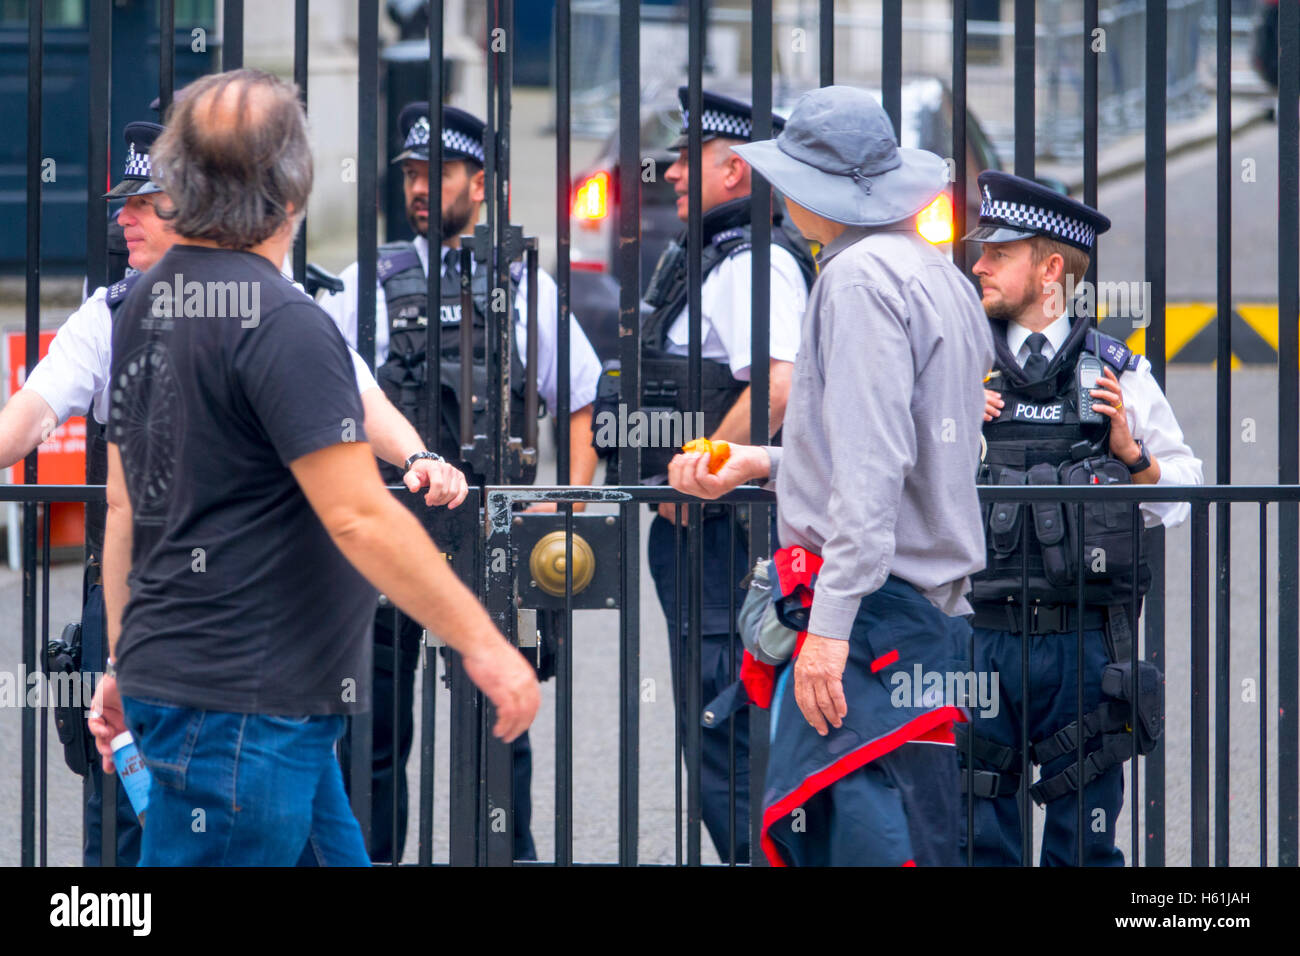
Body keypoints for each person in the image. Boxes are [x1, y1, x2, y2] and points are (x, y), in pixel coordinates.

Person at [85, 68, 539, 867]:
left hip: (222, 689)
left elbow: (127, 509)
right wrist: (487, 645)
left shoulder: (147, 303)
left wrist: (129, 657)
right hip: (248, 707)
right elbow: (359, 514)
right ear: (292, 186)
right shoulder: (286, 320)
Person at [0, 118, 462, 867]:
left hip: (254, 627)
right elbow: (26, 429)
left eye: (144, 202)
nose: (122, 219)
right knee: (131, 821)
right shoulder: (114, 313)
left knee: (279, 825)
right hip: (158, 610)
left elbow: (362, 399)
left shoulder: (272, 306)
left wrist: (419, 456)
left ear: (194, 207)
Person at [669, 85, 994, 866]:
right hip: (921, 619)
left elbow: (877, 466)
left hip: (867, 619)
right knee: (916, 834)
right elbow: (904, 453)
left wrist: (828, 633)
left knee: (860, 844)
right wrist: (770, 462)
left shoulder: (854, 280)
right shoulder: (937, 272)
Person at [318, 101, 603, 862]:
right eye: (410, 173)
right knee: (371, 737)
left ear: (481, 185)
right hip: (387, 540)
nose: (418, 187)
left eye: (435, 173)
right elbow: (318, 395)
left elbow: (583, 401)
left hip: (494, 547)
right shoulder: (366, 283)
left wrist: (564, 505)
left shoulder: (523, 286)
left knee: (495, 732)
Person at [962, 170, 1203, 866]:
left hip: (1085, 645)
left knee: (1085, 844)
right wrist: (945, 430)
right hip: (982, 638)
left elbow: (1186, 493)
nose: (978, 263)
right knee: (977, 839)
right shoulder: (961, 364)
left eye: (998, 253)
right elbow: (903, 488)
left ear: (1050, 270)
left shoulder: (1116, 373)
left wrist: (1132, 457)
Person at [622, 87, 814, 863]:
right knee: (722, 728)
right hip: (714, 526)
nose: (669, 173)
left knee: (726, 730)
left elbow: (778, 385)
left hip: (727, 531)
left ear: (735, 170)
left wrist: (697, 475)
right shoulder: (720, 255)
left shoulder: (751, 261)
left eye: (686, 160)